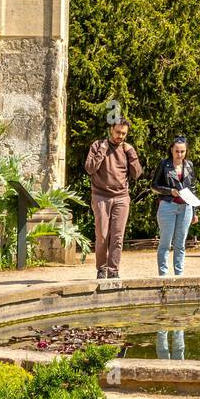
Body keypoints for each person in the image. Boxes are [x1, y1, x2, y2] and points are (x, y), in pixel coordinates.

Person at [84, 118, 143, 279]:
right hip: (101, 196)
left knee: (117, 236)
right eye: (118, 132)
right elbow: (90, 168)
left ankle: (114, 270)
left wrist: (132, 154)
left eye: (124, 133)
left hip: (121, 197)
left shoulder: (126, 149)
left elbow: (137, 174)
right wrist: (102, 150)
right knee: (102, 235)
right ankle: (101, 269)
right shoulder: (98, 145)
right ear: (111, 129)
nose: (121, 136)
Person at [151, 134, 197, 277]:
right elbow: (154, 186)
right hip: (167, 206)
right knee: (165, 243)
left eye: (182, 151)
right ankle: (163, 276)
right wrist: (170, 191)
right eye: (177, 151)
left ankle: (179, 275)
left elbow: (193, 188)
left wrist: (194, 212)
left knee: (180, 244)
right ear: (171, 150)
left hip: (186, 208)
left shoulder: (189, 165)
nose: (179, 154)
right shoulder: (164, 164)